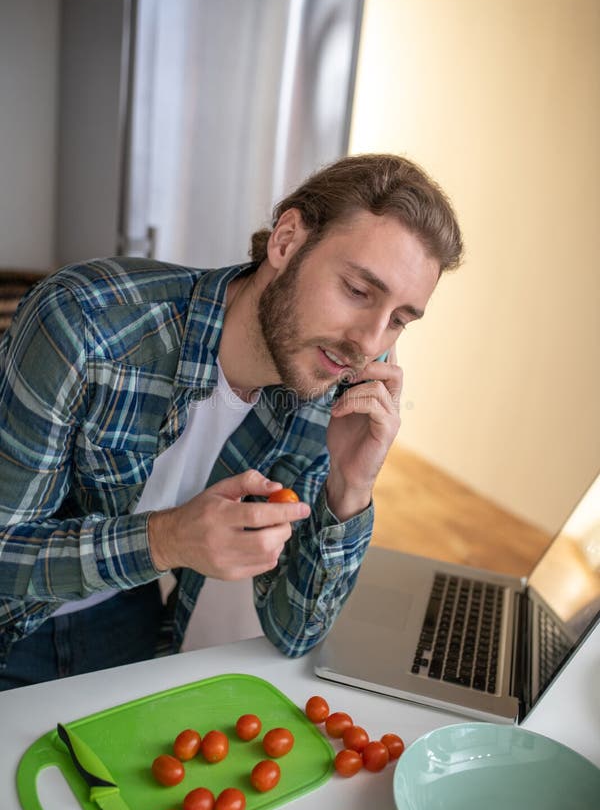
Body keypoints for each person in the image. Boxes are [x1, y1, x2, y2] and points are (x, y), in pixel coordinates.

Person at [0, 153, 462, 690]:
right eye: (358, 292)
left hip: (124, 612)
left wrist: (350, 485)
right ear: (286, 240)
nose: (367, 343)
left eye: (399, 321)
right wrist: (166, 541)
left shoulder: (324, 389)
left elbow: (296, 633)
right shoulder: (85, 322)